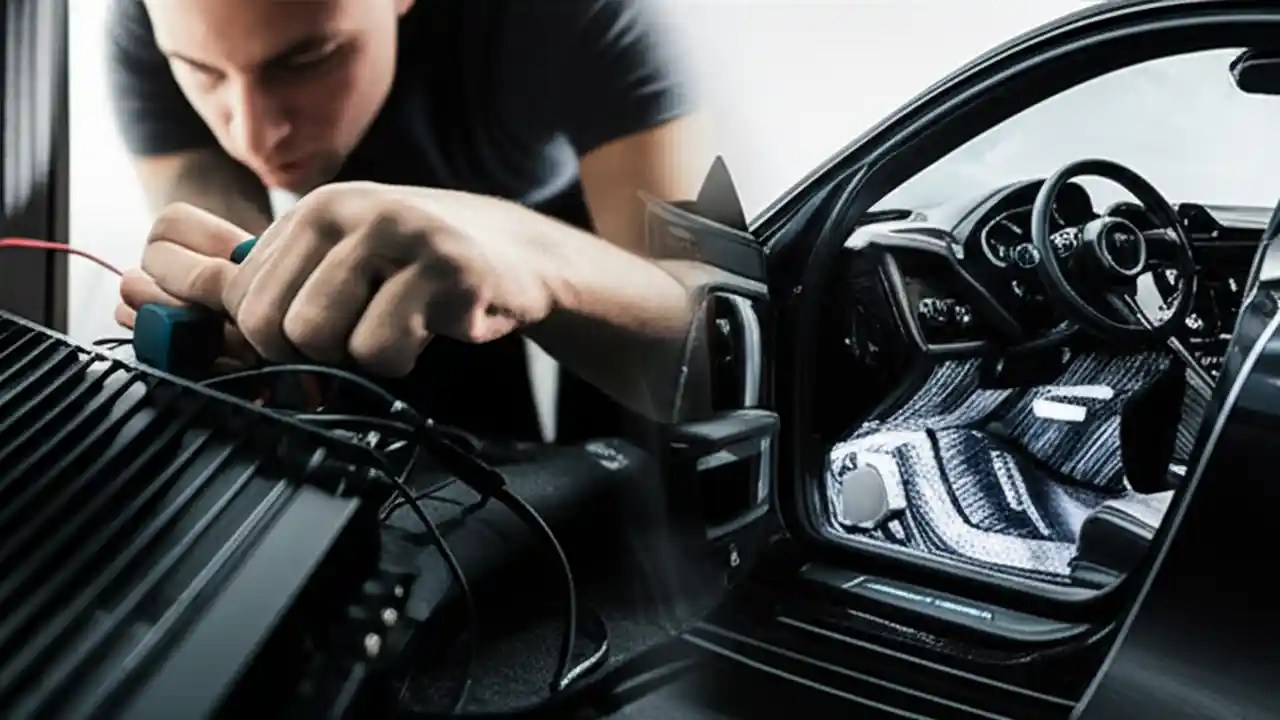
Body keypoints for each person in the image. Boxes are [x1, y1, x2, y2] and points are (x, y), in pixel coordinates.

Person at [105, 0, 719, 443]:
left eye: (309, 58)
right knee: (437, 465)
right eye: (201, 70)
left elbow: (717, 345)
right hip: (404, 240)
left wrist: (537, 269)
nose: (254, 136)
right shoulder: (150, 17)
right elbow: (236, 285)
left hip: (575, 206)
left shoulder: (581, 13)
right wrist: (227, 317)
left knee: (645, 467)